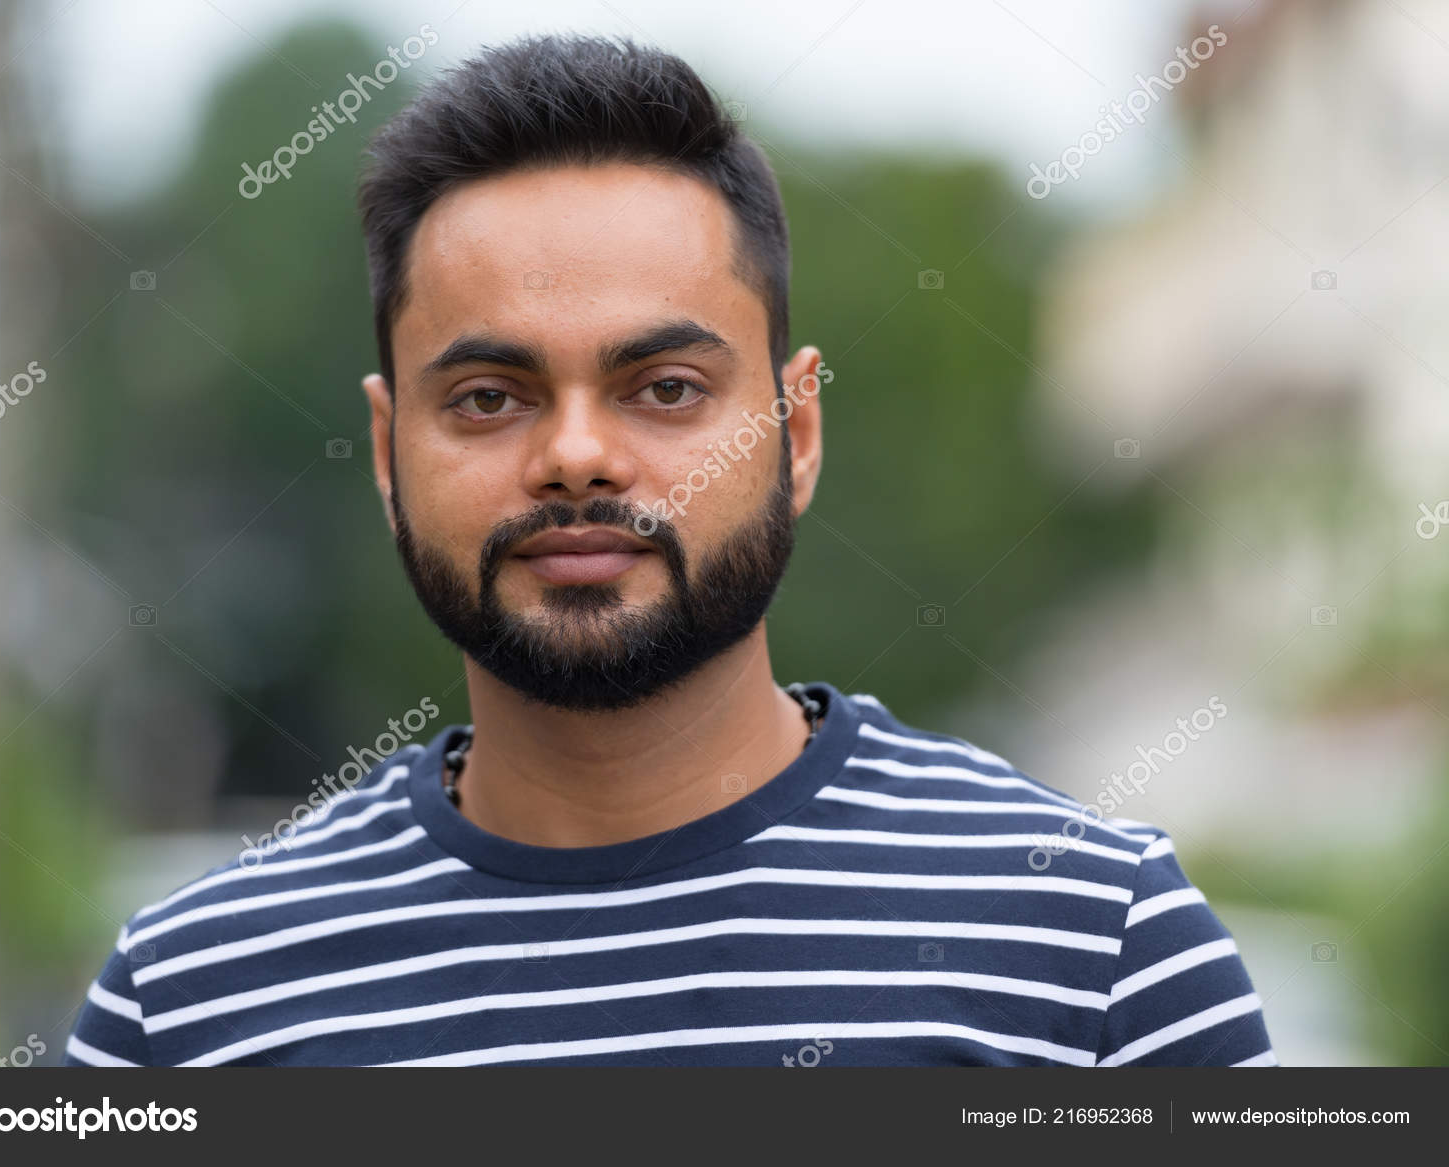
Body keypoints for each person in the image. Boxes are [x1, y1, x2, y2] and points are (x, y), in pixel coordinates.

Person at [65, 34, 1274, 1067]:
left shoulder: (1091, 955)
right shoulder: (191, 1010)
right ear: (387, 454)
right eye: (490, 398)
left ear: (795, 433)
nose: (577, 456)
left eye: (666, 387)